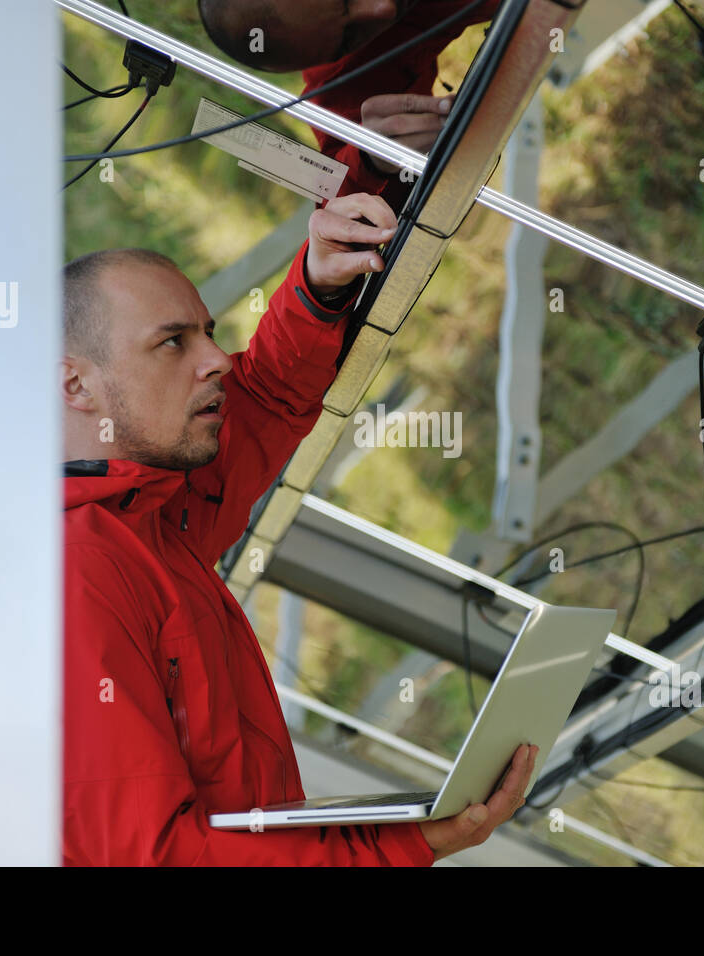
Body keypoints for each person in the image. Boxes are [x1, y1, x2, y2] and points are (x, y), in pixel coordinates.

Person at [59, 191, 535, 865]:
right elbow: (160, 856)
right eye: (172, 342)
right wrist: (406, 845)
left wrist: (318, 287)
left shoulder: (154, 514)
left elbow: (266, 399)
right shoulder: (75, 576)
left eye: (208, 332)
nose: (214, 358)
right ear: (76, 386)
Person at [199, 0, 501, 209]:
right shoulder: (344, 78)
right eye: (349, 37)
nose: (383, 8)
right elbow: (337, 194)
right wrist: (372, 161)